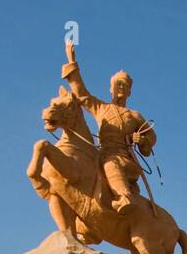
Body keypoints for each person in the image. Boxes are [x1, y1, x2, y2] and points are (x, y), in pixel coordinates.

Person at [61, 40, 155, 214]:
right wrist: (71, 61)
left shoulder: (134, 115)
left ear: (129, 92)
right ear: (111, 88)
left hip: (124, 160)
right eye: (118, 84)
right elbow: (81, 94)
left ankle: (124, 196)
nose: (121, 87)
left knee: (111, 163)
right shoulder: (101, 108)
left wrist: (142, 140)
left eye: (125, 85)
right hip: (101, 154)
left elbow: (151, 136)